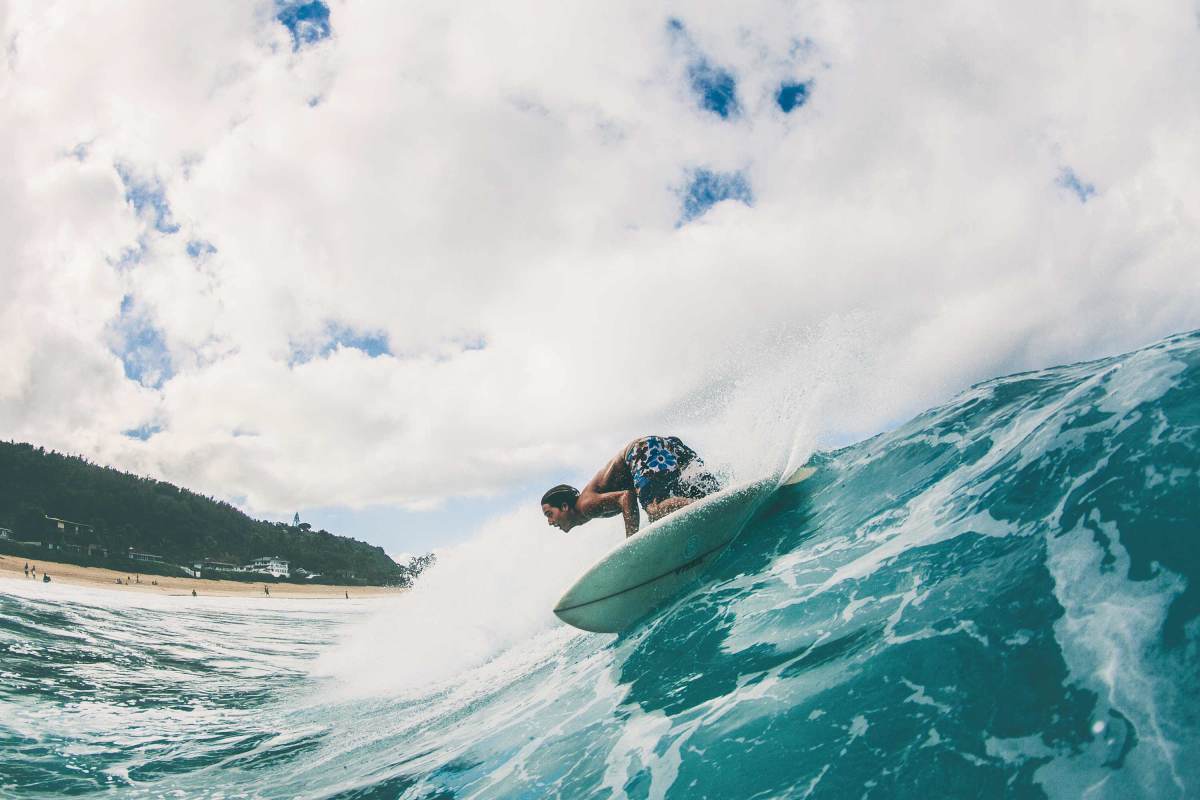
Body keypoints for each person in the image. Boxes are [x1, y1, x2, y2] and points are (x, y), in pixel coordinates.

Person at [541, 435, 721, 537]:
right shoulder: (588, 504)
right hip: (659, 446)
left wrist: (632, 541)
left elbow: (626, 497)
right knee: (697, 493)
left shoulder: (585, 505)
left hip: (641, 451)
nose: (550, 522)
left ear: (564, 507)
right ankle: (717, 500)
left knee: (655, 511)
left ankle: (713, 506)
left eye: (550, 514)